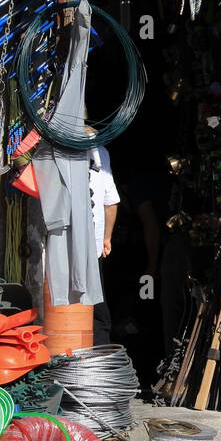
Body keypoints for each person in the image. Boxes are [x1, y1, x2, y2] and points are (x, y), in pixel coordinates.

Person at [90, 145, 120, 345]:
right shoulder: (100, 151)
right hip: (92, 245)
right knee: (97, 311)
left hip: (57, 243)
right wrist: (106, 237)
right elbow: (110, 202)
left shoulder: (53, 146)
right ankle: (98, 360)